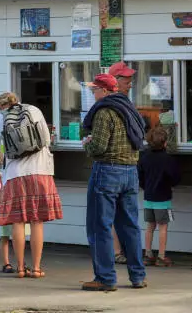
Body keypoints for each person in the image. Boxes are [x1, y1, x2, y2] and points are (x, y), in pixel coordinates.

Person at [80, 74, 147, 291]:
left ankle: (105, 279)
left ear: (105, 91)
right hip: (130, 172)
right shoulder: (130, 109)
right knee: (130, 226)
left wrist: (86, 144)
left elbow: (99, 147)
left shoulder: (104, 111)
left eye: (95, 90)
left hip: (107, 171)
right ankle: (138, 277)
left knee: (100, 226)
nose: (93, 94)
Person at [0, 92, 62, 279]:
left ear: (1, 106)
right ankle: (37, 268)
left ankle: (21, 268)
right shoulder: (34, 110)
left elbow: (2, 146)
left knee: (18, 221)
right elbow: (47, 141)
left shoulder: (0, 119)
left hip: (15, 174)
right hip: (40, 171)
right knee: (37, 221)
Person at [138, 126, 180, 267]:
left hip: (148, 197)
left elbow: (140, 177)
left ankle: (148, 254)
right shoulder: (168, 159)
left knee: (149, 226)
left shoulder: (144, 157)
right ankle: (161, 256)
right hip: (163, 197)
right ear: (165, 143)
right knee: (163, 226)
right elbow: (174, 178)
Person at [107, 61, 136, 265]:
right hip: (114, 166)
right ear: (115, 81)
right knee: (109, 214)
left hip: (127, 166)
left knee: (126, 217)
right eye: (127, 80)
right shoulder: (109, 107)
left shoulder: (124, 104)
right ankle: (116, 251)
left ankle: (126, 254)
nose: (130, 84)